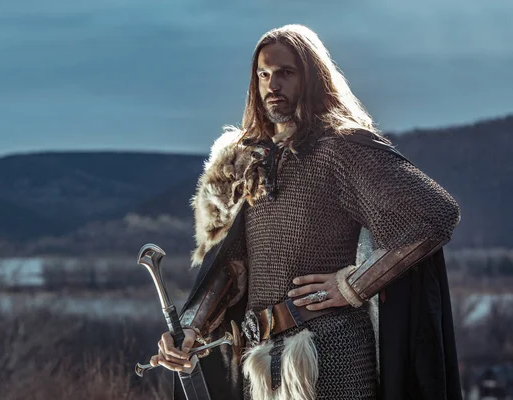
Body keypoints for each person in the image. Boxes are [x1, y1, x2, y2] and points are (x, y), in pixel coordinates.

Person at [150, 24, 463, 400]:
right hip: (262, 366)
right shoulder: (253, 163)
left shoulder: (340, 148)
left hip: (329, 355)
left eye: (285, 72)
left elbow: (435, 213)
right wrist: (191, 331)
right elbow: (232, 265)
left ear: (311, 77)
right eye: (263, 74)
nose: (272, 85)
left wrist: (352, 285)